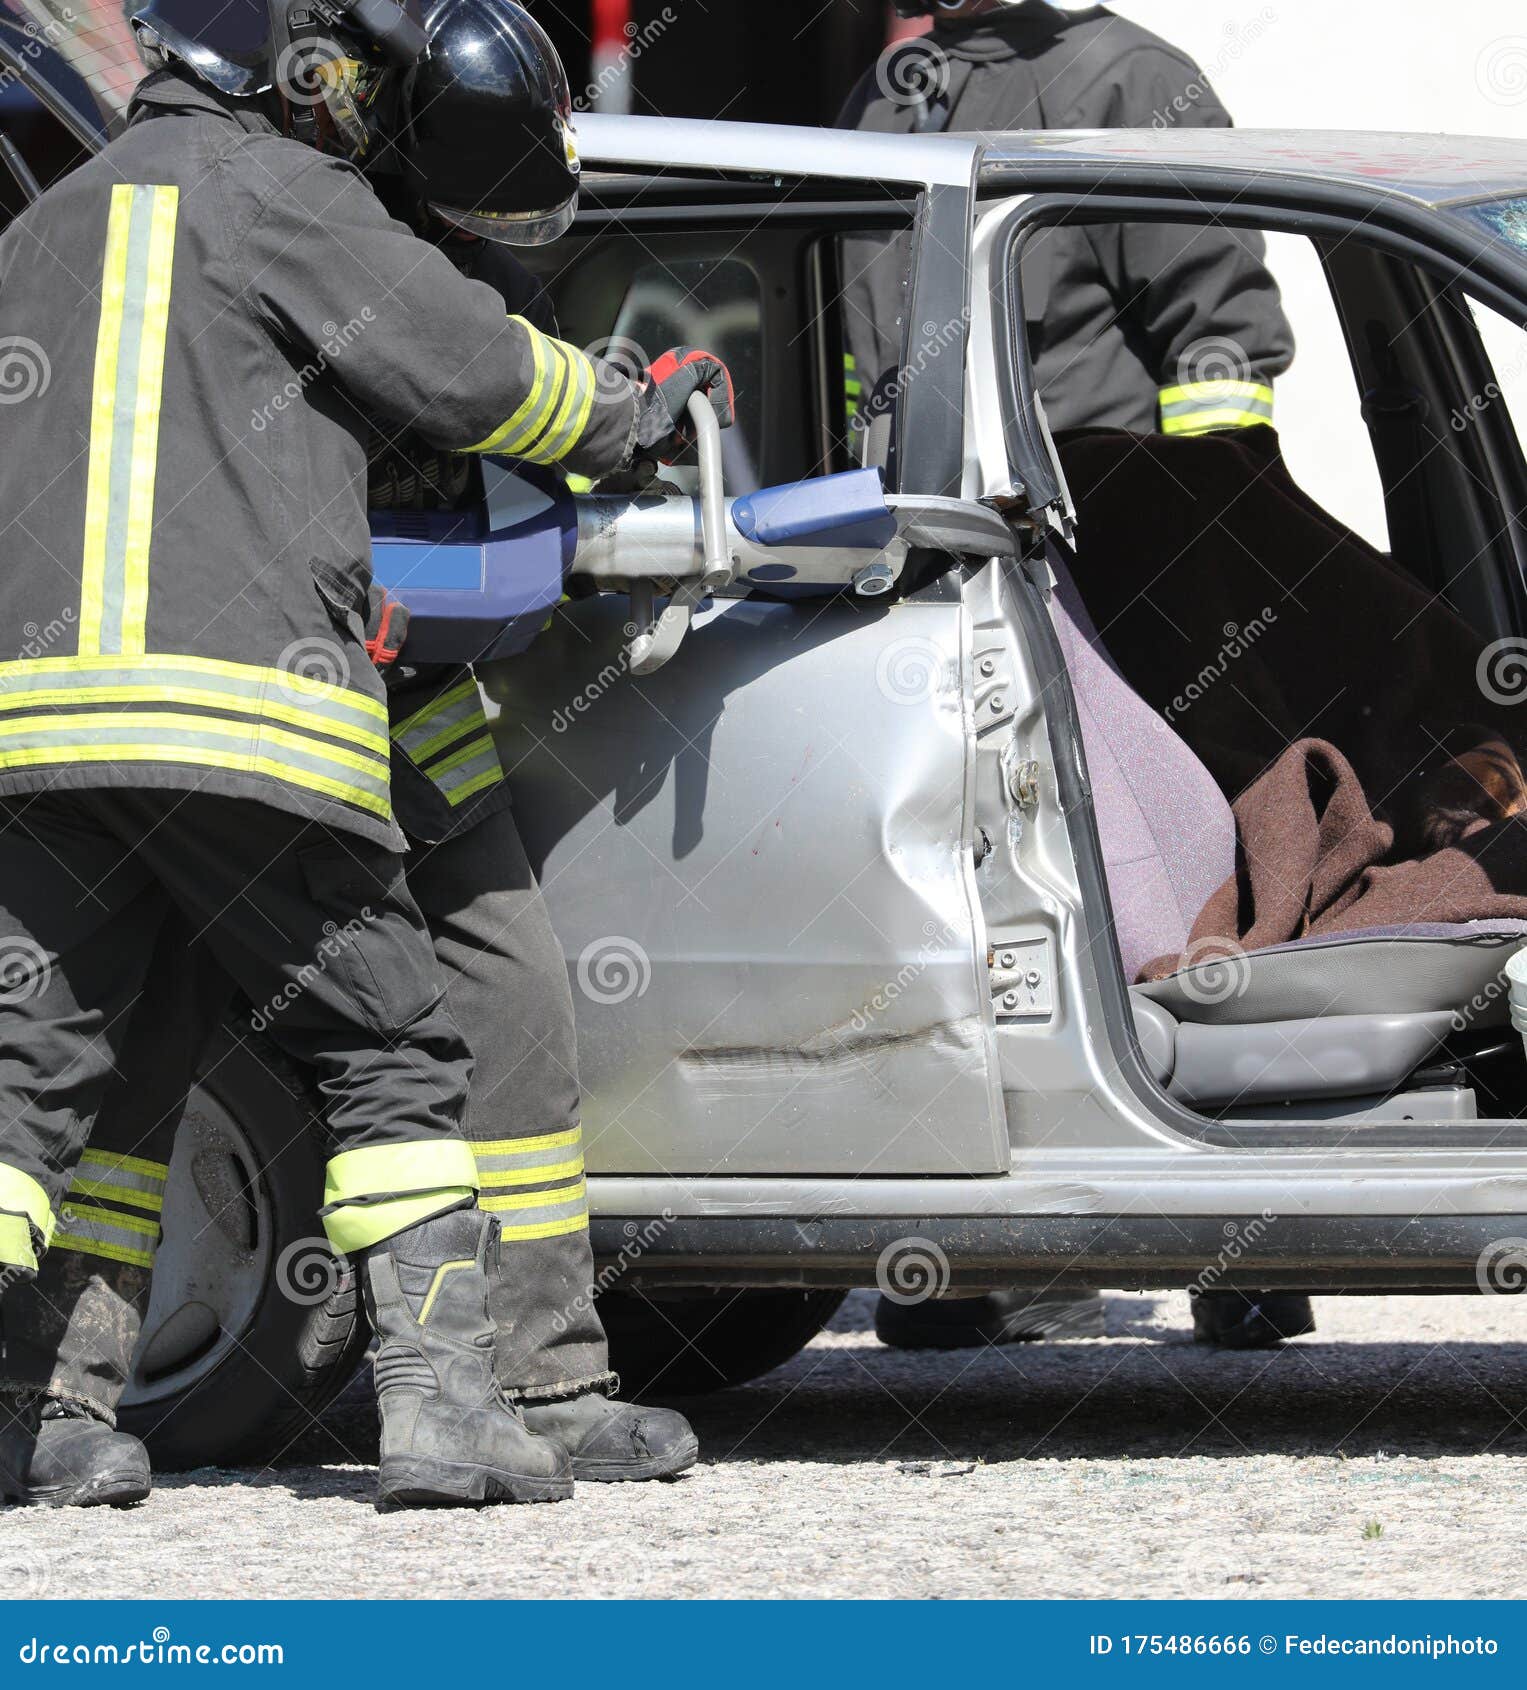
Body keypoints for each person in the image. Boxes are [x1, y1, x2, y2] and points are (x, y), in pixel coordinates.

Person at [0, 0, 729, 1508]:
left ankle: (40, 1411)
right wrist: (632, 410)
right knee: (392, 1041)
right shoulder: (291, 203)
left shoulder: (42, 232)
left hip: (40, 733)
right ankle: (450, 1406)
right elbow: (478, 374)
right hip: (249, 717)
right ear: (305, 84)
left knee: (40, 1078)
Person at [842, 0, 1309, 1355]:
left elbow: (1225, 354)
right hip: (945, 576)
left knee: (1190, 897)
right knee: (979, 901)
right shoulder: (891, 103)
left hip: (1138, 574)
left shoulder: (1129, 84)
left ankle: (1249, 1238)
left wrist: (1204, 548)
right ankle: (987, 1253)